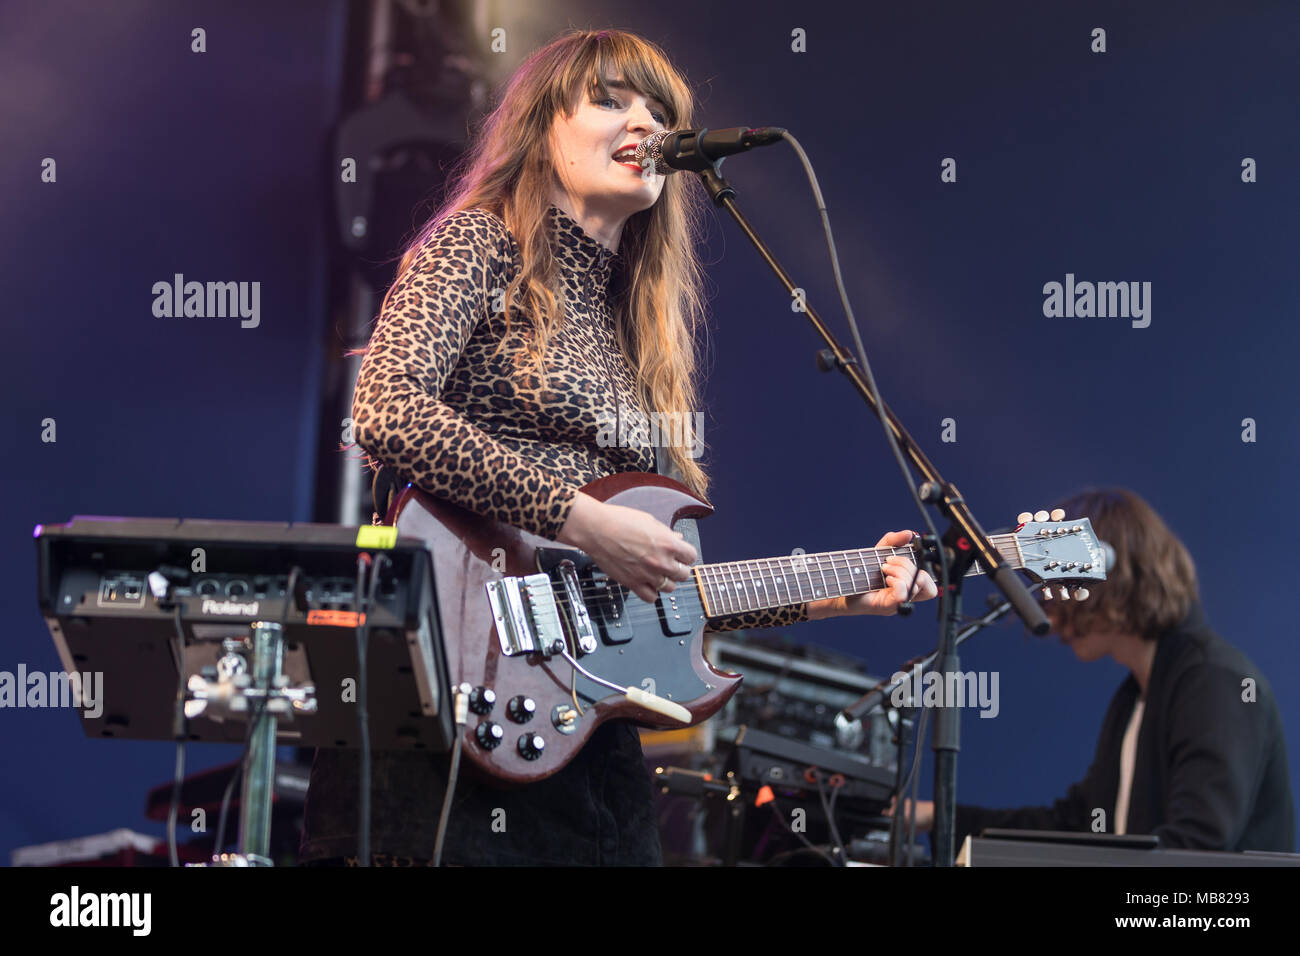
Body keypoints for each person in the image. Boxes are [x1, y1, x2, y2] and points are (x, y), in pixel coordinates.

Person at [297, 28, 936, 867]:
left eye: (659, 110)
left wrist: (840, 595)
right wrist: (582, 520)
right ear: (540, 125)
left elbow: (651, 593)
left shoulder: (634, 331)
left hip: (588, 737)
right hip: (445, 695)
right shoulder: (479, 244)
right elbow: (385, 410)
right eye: (610, 99)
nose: (643, 122)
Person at [890, 488, 1293, 853]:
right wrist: (934, 815)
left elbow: (1195, 848)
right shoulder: (1135, 698)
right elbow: (1075, 825)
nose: (1053, 609)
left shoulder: (1214, 682)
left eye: (1065, 586)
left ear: (1111, 576)